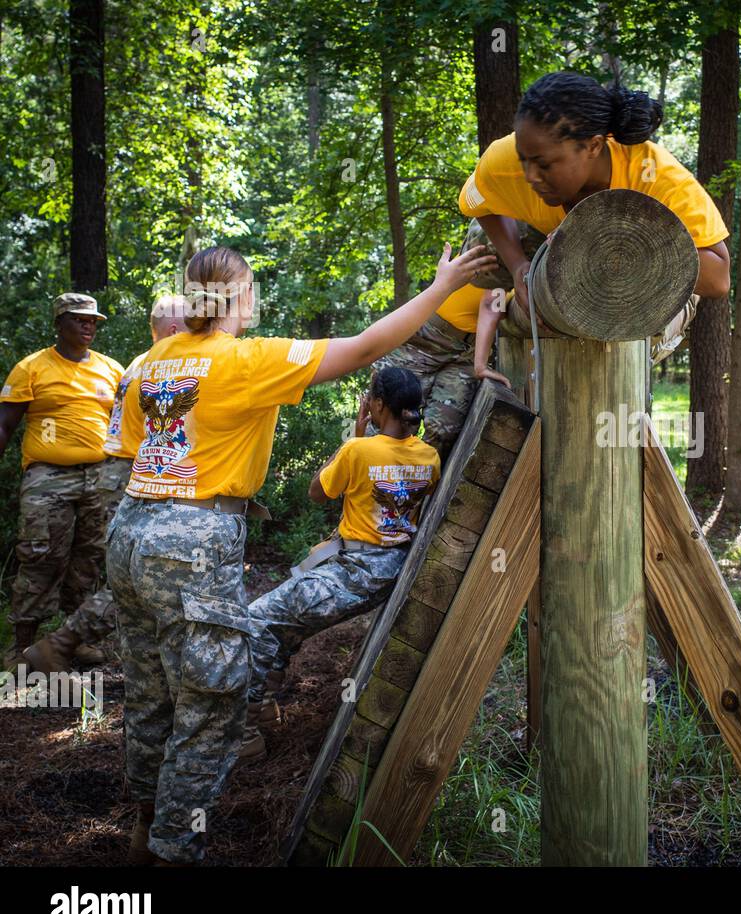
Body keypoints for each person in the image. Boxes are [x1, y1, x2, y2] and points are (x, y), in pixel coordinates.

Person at [106, 240, 493, 866]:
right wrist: (443, 285)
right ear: (244, 297)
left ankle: (143, 825)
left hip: (130, 530)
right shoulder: (247, 359)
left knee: (150, 687)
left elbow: (130, 450)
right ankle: (171, 852)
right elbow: (366, 348)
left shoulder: (152, 360)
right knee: (210, 702)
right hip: (192, 540)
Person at [458, 70, 731, 364]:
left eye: (544, 164)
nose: (530, 176)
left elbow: (718, 279)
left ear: (593, 146)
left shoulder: (656, 176)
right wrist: (517, 266)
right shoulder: (503, 161)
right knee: (478, 248)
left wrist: (607, 234)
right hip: (547, 242)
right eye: (524, 160)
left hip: (654, 276)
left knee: (617, 342)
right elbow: (479, 206)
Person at [240, 366, 441, 759]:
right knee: (285, 617)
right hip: (386, 568)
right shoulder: (430, 456)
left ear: (377, 405)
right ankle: (263, 707)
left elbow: (318, 492)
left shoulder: (358, 449)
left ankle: (246, 732)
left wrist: (356, 433)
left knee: (255, 620)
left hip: (354, 574)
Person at [24, 295, 185, 674]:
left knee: (115, 567)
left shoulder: (134, 364)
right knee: (139, 572)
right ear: (176, 330)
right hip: (134, 474)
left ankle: (79, 645)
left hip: (116, 471)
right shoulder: (165, 367)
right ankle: (60, 643)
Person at [0, 293, 123, 670]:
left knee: (90, 558)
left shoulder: (111, 369)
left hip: (101, 476)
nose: (88, 327)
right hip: (47, 476)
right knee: (41, 556)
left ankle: (74, 642)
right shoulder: (32, 367)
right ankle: (20, 648)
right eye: (79, 320)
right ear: (59, 323)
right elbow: (5, 424)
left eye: (93, 322)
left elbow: (127, 425)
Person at [380, 217, 543, 458]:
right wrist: (481, 364)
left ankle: (416, 490)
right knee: (392, 420)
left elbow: (494, 303)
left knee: (444, 431)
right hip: (426, 339)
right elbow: (490, 303)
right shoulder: (494, 251)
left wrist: (477, 363)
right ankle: (372, 490)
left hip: (464, 352)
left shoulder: (523, 265)